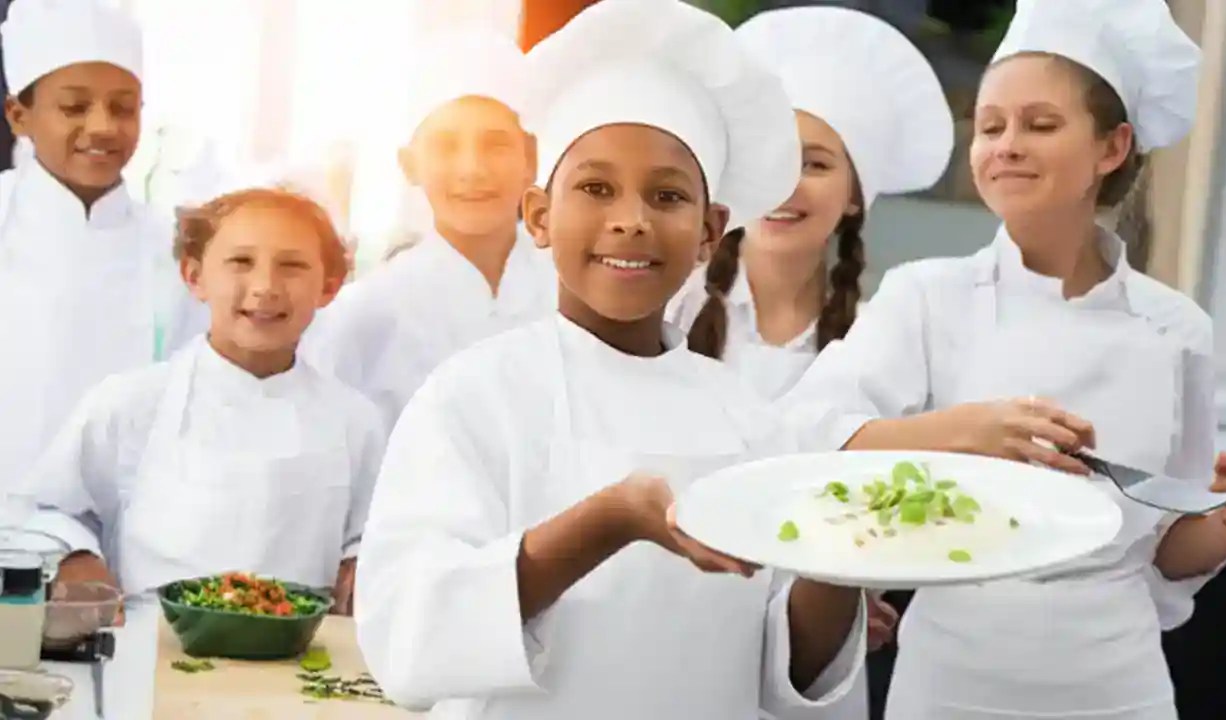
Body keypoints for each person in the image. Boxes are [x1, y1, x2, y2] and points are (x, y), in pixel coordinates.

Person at [354, 1, 868, 717]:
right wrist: (611, 519)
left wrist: (845, 560)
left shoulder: (752, 425)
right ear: (539, 215)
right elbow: (408, 636)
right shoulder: (474, 397)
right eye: (596, 188)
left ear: (709, 233)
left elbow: (792, 672)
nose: (631, 218)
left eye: (668, 195)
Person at [780, 0, 1226, 717]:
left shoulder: (1178, 331)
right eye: (990, 126)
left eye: (1040, 125)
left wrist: (1222, 531)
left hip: (1118, 689)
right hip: (953, 681)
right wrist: (965, 431)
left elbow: (1164, 546)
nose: (1006, 144)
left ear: (1112, 148)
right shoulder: (925, 296)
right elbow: (805, 432)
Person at [21, 189, 385, 616]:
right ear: (195, 277)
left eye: (292, 266)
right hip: (151, 651)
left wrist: (360, 563)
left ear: (329, 286)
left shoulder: (355, 421)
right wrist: (76, 559)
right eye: (240, 262)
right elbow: (49, 509)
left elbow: (370, 532)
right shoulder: (133, 402)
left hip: (298, 662)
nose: (265, 287)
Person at [672, 6, 953, 402]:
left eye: (814, 164)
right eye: (770, 155)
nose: (784, 183)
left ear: (854, 196)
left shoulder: (878, 340)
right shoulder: (668, 305)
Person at [301, 29, 556, 433]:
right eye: (446, 145)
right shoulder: (365, 316)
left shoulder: (572, 296)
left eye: (496, 145)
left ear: (531, 159)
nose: (472, 168)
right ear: (409, 165)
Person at [0, 0, 200, 495]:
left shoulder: (175, 251)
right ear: (18, 115)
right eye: (74, 107)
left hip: (120, 539)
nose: (103, 127)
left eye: (123, 107)